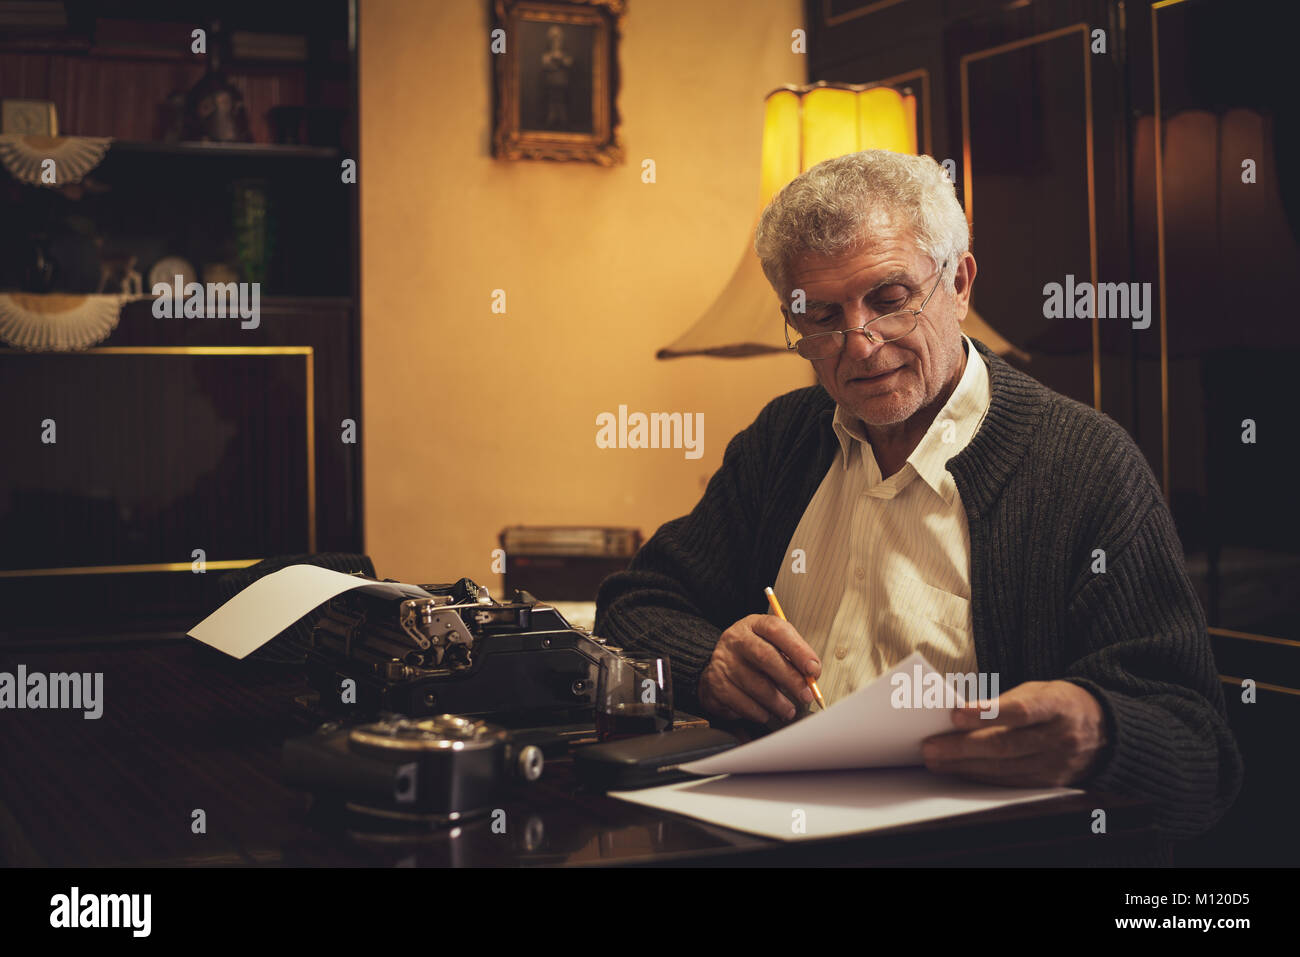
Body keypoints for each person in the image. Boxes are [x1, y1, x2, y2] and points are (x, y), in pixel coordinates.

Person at [593, 150, 1242, 845]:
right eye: (820, 316)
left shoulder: (1085, 466)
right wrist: (709, 661)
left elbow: (1201, 751)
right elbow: (634, 604)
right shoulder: (785, 440)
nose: (861, 346)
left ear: (958, 284)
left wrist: (1099, 730)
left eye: (889, 299)